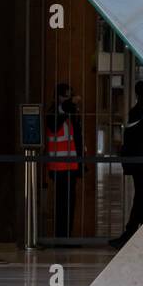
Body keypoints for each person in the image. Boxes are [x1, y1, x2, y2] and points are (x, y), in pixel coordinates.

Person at [110, 81, 143, 249]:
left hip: (140, 164)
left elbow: (130, 140)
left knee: (141, 197)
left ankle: (131, 234)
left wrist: (126, 162)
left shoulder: (136, 111)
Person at [45, 82, 83, 238]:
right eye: (65, 96)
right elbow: (55, 124)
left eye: (69, 96)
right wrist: (70, 104)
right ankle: (61, 236)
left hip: (71, 166)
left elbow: (77, 139)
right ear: (57, 97)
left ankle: (67, 236)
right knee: (62, 204)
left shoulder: (70, 113)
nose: (68, 99)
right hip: (58, 167)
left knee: (70, 203)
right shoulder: (53, 112)